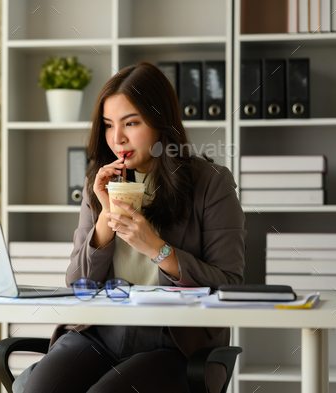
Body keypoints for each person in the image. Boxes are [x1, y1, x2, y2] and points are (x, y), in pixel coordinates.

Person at [14, 62, 247, 393]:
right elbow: (77, 283)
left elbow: (229, 282)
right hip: (99, 330)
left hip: (173, 341)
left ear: (160, 122)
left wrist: (157, 248)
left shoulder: (211, 183)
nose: (117, 138)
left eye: (131, 123)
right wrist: (103, 224)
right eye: (109, 125)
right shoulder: (102, 181)